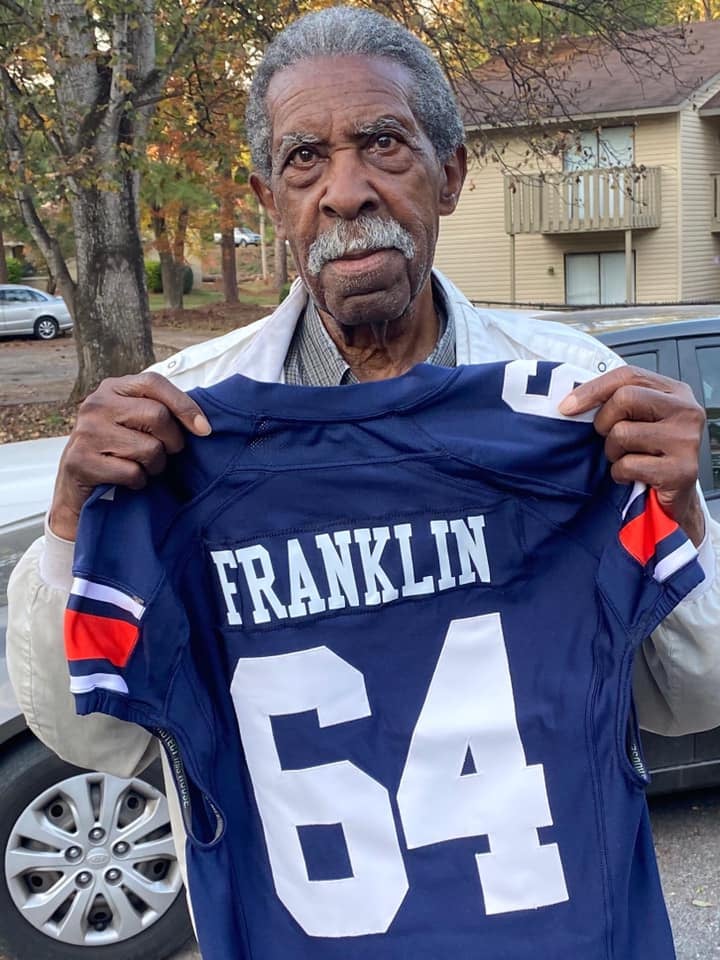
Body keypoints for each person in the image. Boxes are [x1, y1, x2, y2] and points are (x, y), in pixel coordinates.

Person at [7, 0, 719, 927]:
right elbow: (87, 734)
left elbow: (692, 701)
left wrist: (683, 518)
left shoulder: (575, 403)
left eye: (384, 144)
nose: (345, 191)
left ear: (450, 176)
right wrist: (73, 530)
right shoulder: (176, 431)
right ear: (271, 199)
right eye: (304, 157)